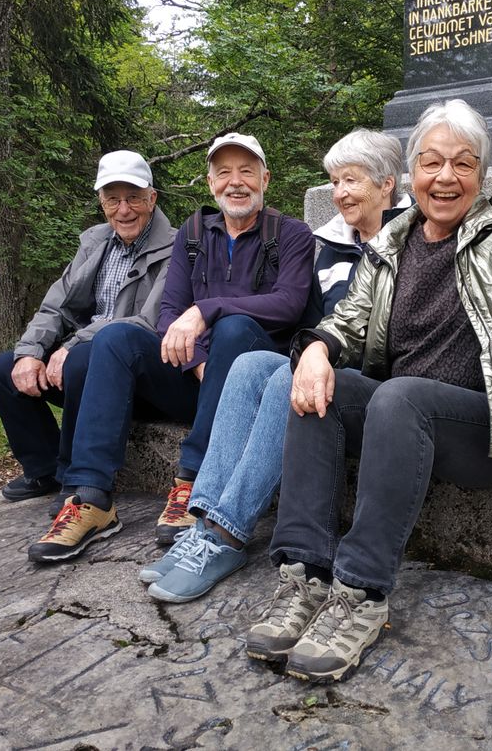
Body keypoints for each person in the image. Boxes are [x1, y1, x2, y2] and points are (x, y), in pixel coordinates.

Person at [243, 0, 492, 683]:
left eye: (462, 164)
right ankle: (302, 577)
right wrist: (314, 350)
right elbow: (346, 320)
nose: (444, 177)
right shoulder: (391, 246)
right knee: (320, 384)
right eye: (431, 161)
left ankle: (362, 593)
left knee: (402, 395)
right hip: (410, 424)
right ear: (410, 175)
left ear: (483, 174)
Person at [136, 129, 409, 602]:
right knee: (247, 366)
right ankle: (202, 523)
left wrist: (314, 357)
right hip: (330, 367)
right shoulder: (332, 248)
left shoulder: (412, 241)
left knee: (288, 371)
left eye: (352, 180)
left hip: (380, 383)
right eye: (335, 182)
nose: (340, 193)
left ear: (387, 185)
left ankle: (227, 534)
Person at [25, 133, 315, 563]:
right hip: (194, 377)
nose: (235, 182)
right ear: (210, 182)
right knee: (115, 337)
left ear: (265, 179)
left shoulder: (291, 234)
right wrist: (199, 357)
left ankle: (193, 481)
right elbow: (168, 312)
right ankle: (89, 496)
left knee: (234, 328)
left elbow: (289, 304)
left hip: (255, 381)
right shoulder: (195, 234)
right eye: (224, 173)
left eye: (247, 171)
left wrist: (207, 310)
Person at [0, 150, 175, 507]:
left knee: (83, 359)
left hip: (135, 368)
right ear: (101, 201)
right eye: (112, 199)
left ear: (152, 198)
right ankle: (43, 469)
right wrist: (30, 353)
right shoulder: (94, 242)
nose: (124, 209)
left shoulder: (176, 247)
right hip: (84, 353)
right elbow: (55, 305)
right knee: (2, 370)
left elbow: (150, 322)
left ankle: (77, 476)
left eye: (134, 197)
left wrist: (73, 344)